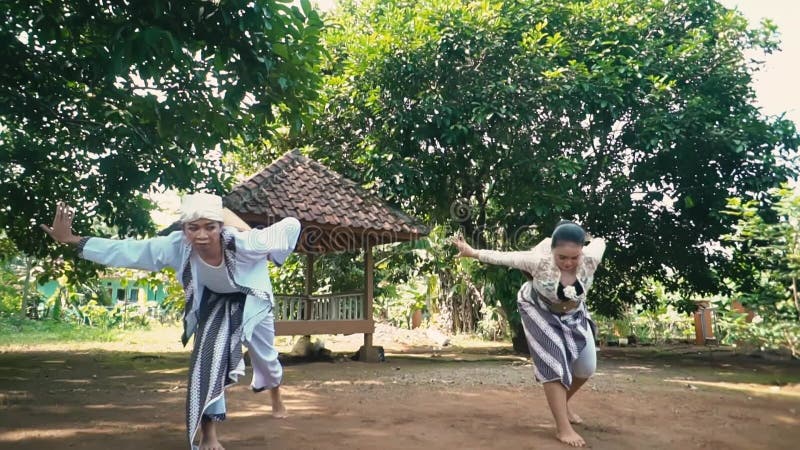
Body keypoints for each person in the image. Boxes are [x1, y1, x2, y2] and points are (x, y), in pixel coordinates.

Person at [40, 194, 302, 450]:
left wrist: (261, 244)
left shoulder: (245, 242)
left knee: (266, 357)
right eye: (193, 228)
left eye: (210, 227)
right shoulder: (177, 246)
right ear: (183, 229)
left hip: (252, 299)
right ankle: (208, 434)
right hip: (215, 302)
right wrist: (73, 239)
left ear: (221, 227)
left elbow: (291, 226)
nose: (201, 236)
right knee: (206, 360)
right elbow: (129, 250)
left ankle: (275, 395)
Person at [453, 221, 606, 448]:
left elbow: (601, 242)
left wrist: (591, 237)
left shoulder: (591, 258)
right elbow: (502, 257)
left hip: (574, 313)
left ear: (582, 251)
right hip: (538, 309)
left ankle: (562, 404)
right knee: (553, 361)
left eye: (574, 257)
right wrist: (472, 252)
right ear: (552, 251)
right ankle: (563, 428)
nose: (568, 263)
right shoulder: (537, 261)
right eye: (562, 257)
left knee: (586, 367)